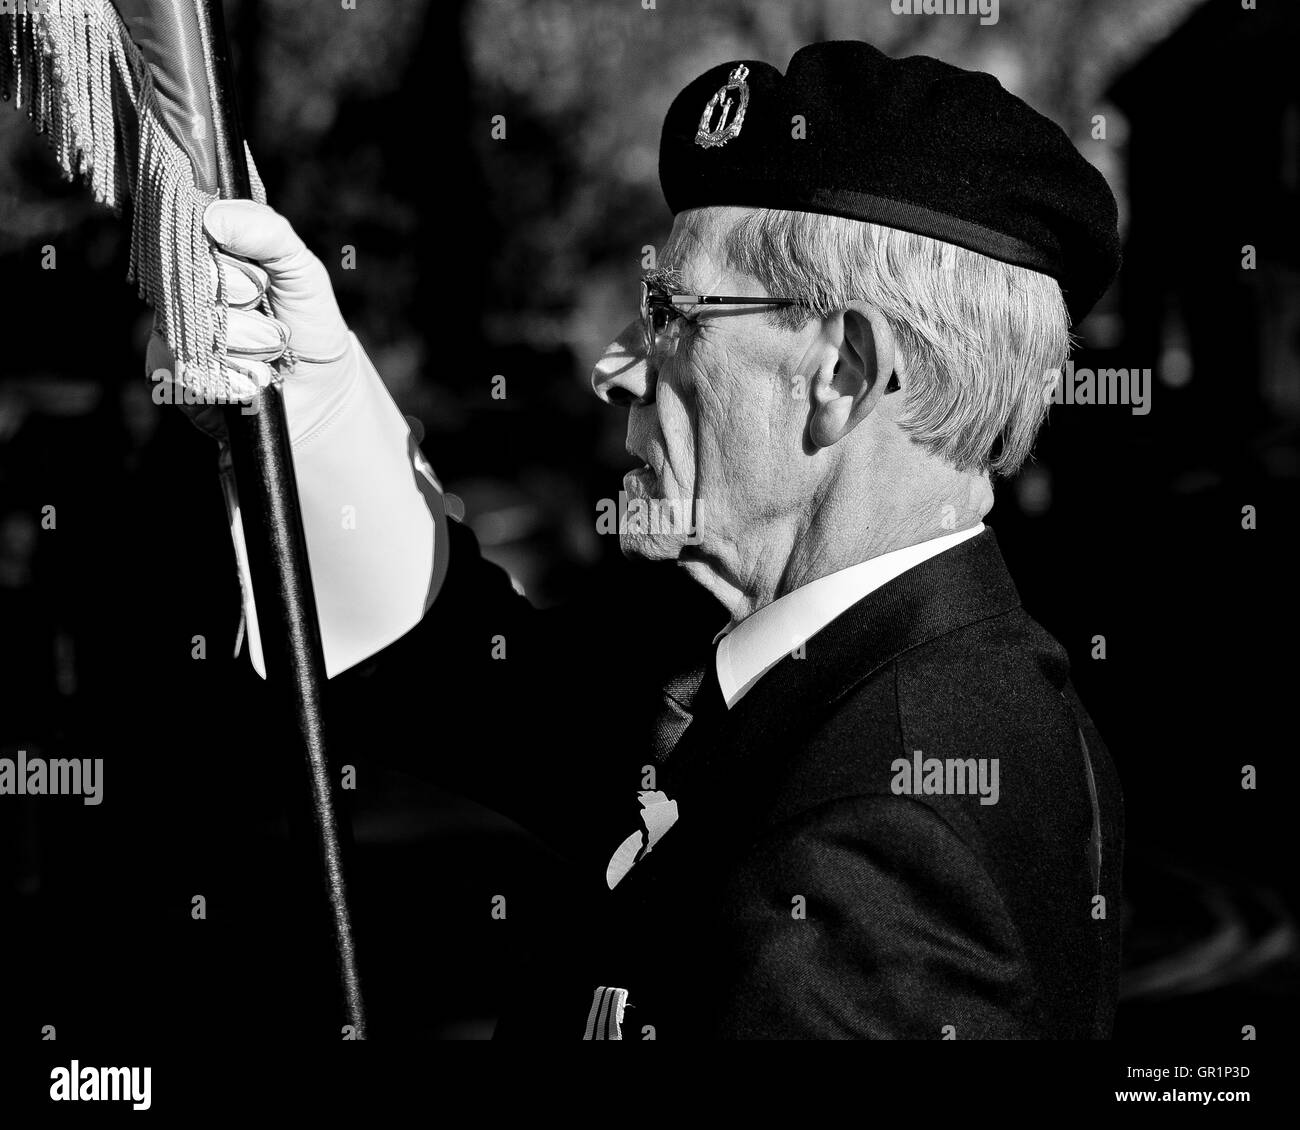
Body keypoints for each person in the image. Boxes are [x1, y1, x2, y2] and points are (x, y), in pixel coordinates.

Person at [157, 40, 1124, 1039]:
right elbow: (479, 685)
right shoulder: (864, 687)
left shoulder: (879, 851)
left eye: (673, 310)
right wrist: (307, 403)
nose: (615, 365)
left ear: (840, 372)